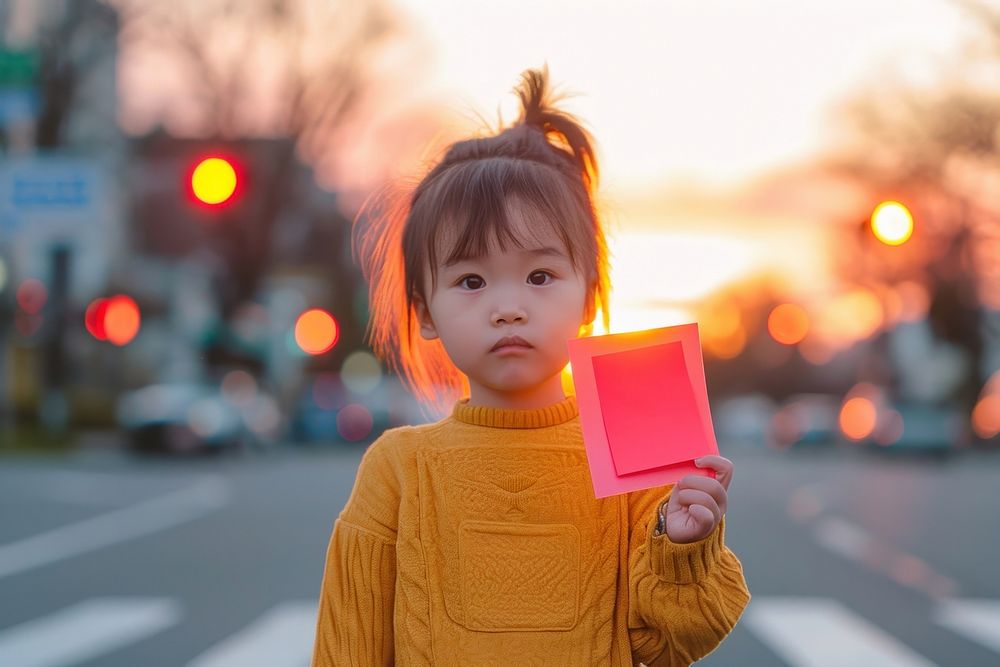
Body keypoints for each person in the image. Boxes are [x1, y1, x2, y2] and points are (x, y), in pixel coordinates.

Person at [310, 66, 750, 666]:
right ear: (425, 311)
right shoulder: (398, 469)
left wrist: (682, 545)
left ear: (591, 297)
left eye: (541, 276)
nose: (509, 308)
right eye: (470, 280)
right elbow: (349, 652)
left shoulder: (634, 457)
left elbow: (671, 644)